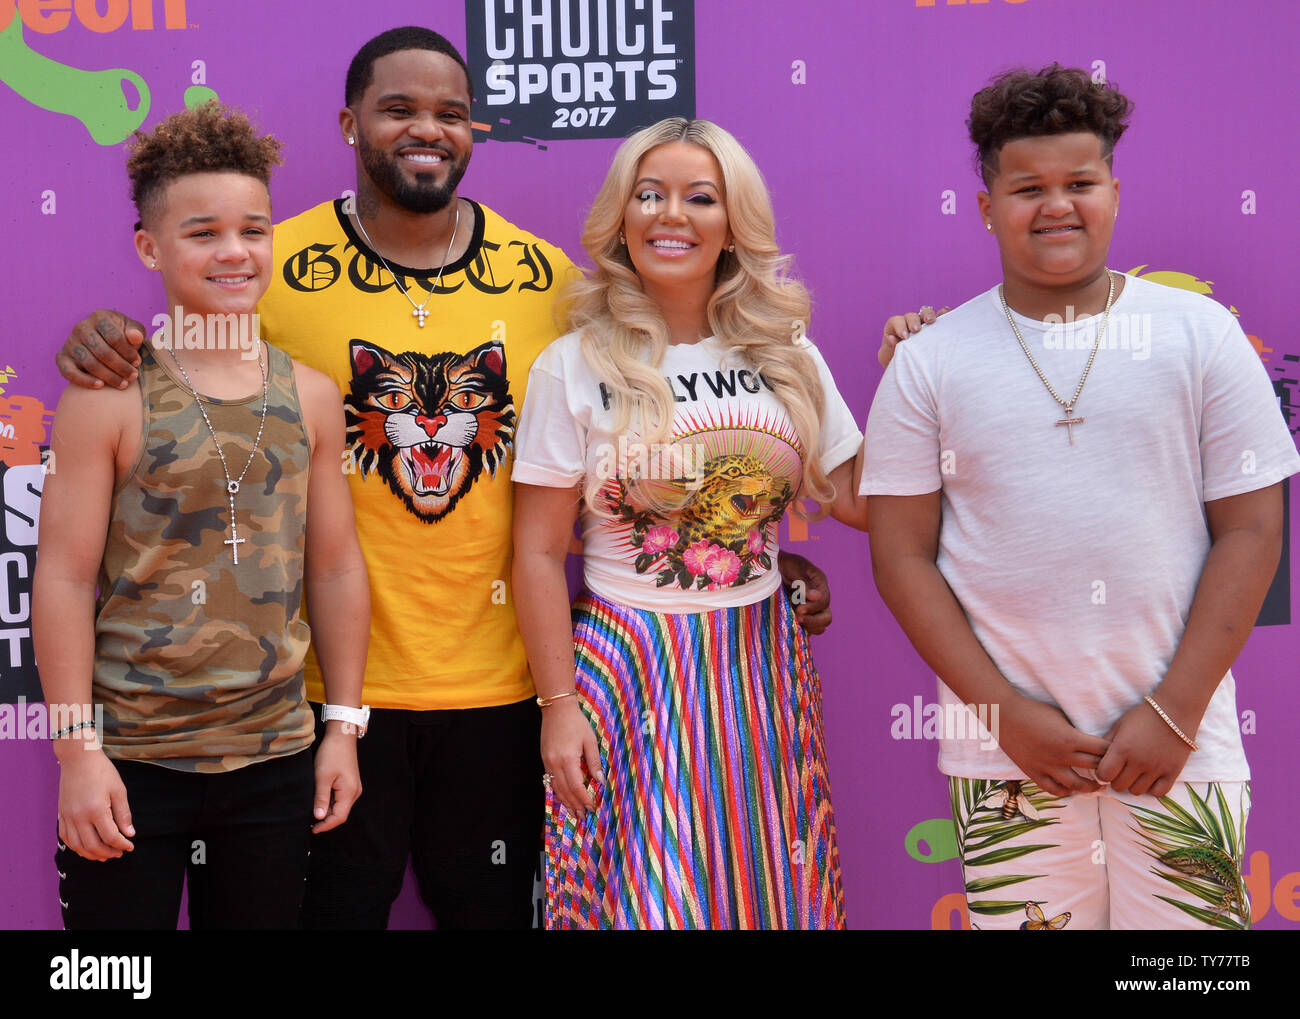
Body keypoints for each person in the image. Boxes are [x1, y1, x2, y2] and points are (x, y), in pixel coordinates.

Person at [54, 28, 836, 929]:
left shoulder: (553, 284)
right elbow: (188, 334)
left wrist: (748, 552)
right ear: (349, 123)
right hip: (325, 707)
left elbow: (651, 430)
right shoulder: (271, 265)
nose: (426, 130)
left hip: (506, 692)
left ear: (475, 132)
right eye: (399, 109)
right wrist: (104, 333)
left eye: (450, 114)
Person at [862, 65, 1299, 929]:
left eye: (1079, 184)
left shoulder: (1202, 335)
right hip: (1006, 760)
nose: (1055, 205)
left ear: (1114, 192)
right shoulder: (930, 362)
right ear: (986, 206)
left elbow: (1252, 530)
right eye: (1027, 187)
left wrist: (1174, 713)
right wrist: (1005, 715)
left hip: (1185, 750)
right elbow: (901, 556)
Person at [512, 118, 869, 929]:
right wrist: (557, 706)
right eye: (651, 194)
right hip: (625, 666)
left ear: (732, 223)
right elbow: (535, 555)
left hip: (759, 664)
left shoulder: (786, 354)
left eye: (699, 198)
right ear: (622, 216)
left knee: (766, 886)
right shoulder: (572, 364)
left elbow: (863, 500)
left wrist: (929, 370)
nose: (672, 215)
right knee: (641, 900)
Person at [33, 103, 367, 930]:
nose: (232, 251)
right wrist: (78, 753)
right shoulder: (107, 399)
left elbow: (333, 567)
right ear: (150, 246)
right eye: (202, 232)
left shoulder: (314, 397)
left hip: (276, 759)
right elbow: (66, 577)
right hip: (130, 762)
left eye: (253, 230)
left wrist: (344, 729)